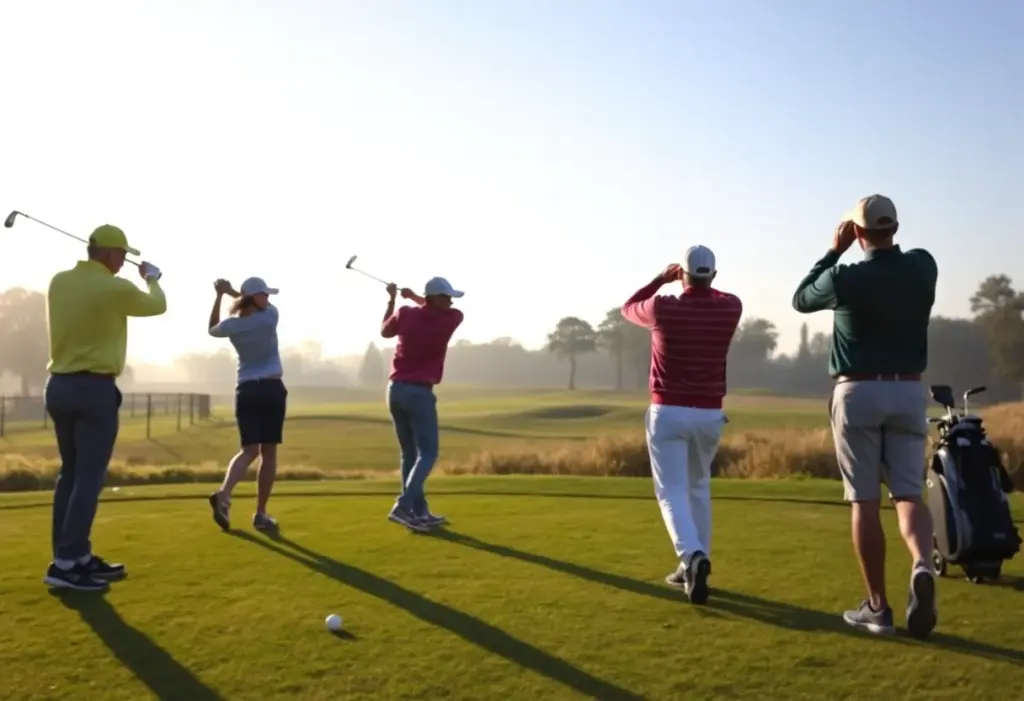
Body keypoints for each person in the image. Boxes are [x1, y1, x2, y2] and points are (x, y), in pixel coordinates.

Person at [792, 194, 938, 640]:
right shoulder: (923, 265)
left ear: (858, 233)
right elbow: (907, 260)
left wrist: (834, 250)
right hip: (909, 390)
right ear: (895, 226)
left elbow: (800, 299)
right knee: (909, 495)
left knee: (865, 501)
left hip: (857, 391)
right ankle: (922, 563)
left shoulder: (844, 276)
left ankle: (878, 606)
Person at [43, 225, 167, 591]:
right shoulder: (116, 288)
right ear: (113, 255)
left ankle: (74, 556)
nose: (124, 262)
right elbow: (156, 305)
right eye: (124, 256)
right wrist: (153, 278)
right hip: (93, 388)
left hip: (59, 387)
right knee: (88, 478)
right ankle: (67, 562)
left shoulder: (59, 281)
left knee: (71, 473)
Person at [621, 245, 743, 605]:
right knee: (698, 487)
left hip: (669, 412)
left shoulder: (662, 307)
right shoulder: (730, 306)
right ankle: (692, 560)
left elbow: (628, 307)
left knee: (671, 491)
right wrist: (701, 281)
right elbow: (715, 293)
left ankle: (692, 557)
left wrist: (661, 278)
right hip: (708, 415)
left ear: (682, 276)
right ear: (714, 276)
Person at [380, 276, 465, 532]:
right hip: (419, 393)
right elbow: (430, 309)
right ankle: (403, 506)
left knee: (410, 454)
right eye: (447, 297)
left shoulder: (405, 314)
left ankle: (419, 511)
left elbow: (385, 330)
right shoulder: (451, 319)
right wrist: (414, 295)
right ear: (436, 299)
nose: (451, 302)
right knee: (428, 453)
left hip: (395, 390)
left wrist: (394, 299)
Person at [206, 277, 287, 534]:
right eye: (264, 295)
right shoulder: (270, 316)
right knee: (269, 453)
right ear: (255, 298)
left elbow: (212, 328)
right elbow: (249, 303)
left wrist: (220, 295)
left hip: (246, 390)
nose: (269, 299)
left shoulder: (233, 325)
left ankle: (224, 494)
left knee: (249, 450)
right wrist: (231, 292)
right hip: (271, 389)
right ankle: (261, 514)